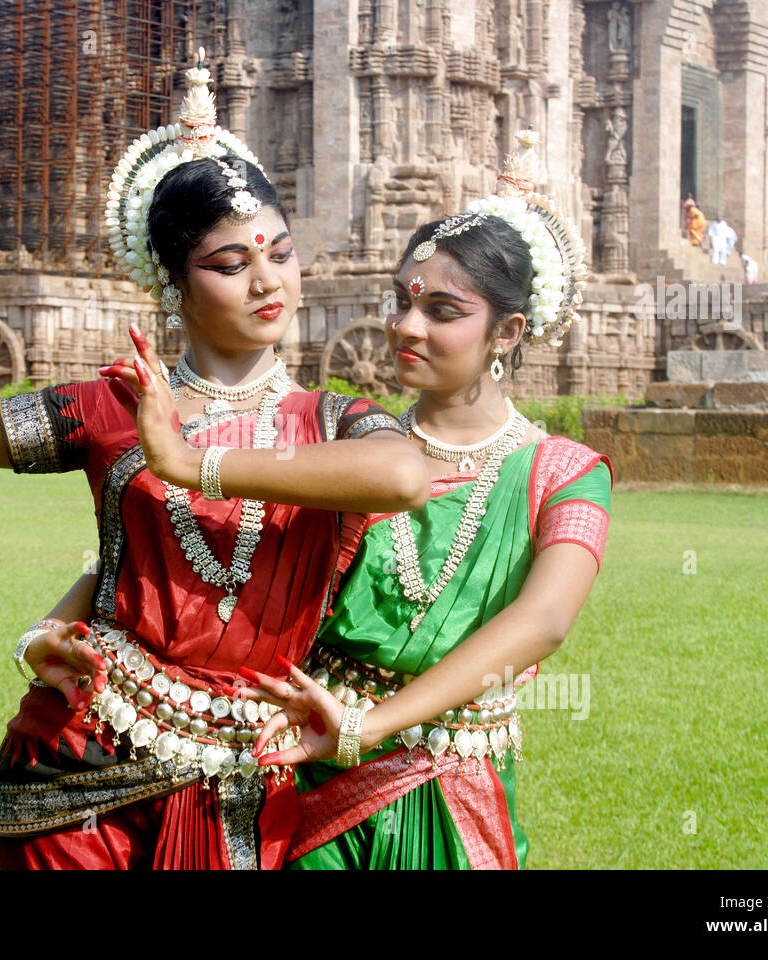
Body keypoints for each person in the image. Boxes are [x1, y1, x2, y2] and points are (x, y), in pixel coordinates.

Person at [0, 52, 431, 870]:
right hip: (90, 751)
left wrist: (188, 464)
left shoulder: (338, 420)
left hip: (256, 766)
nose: (265, 282)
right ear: (174, 284)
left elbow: (405, 476)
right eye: (229, 264)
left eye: (280, 253)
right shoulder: (112, 407)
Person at [225, 132, 612, 870]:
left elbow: (545, 620)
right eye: (403, 301)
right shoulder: (345, 439)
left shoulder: (563, 472)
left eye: (443, 310)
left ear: (509, 332)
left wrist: (369, 726)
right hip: (306, 771)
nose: (406, 326)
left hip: (455, 786)